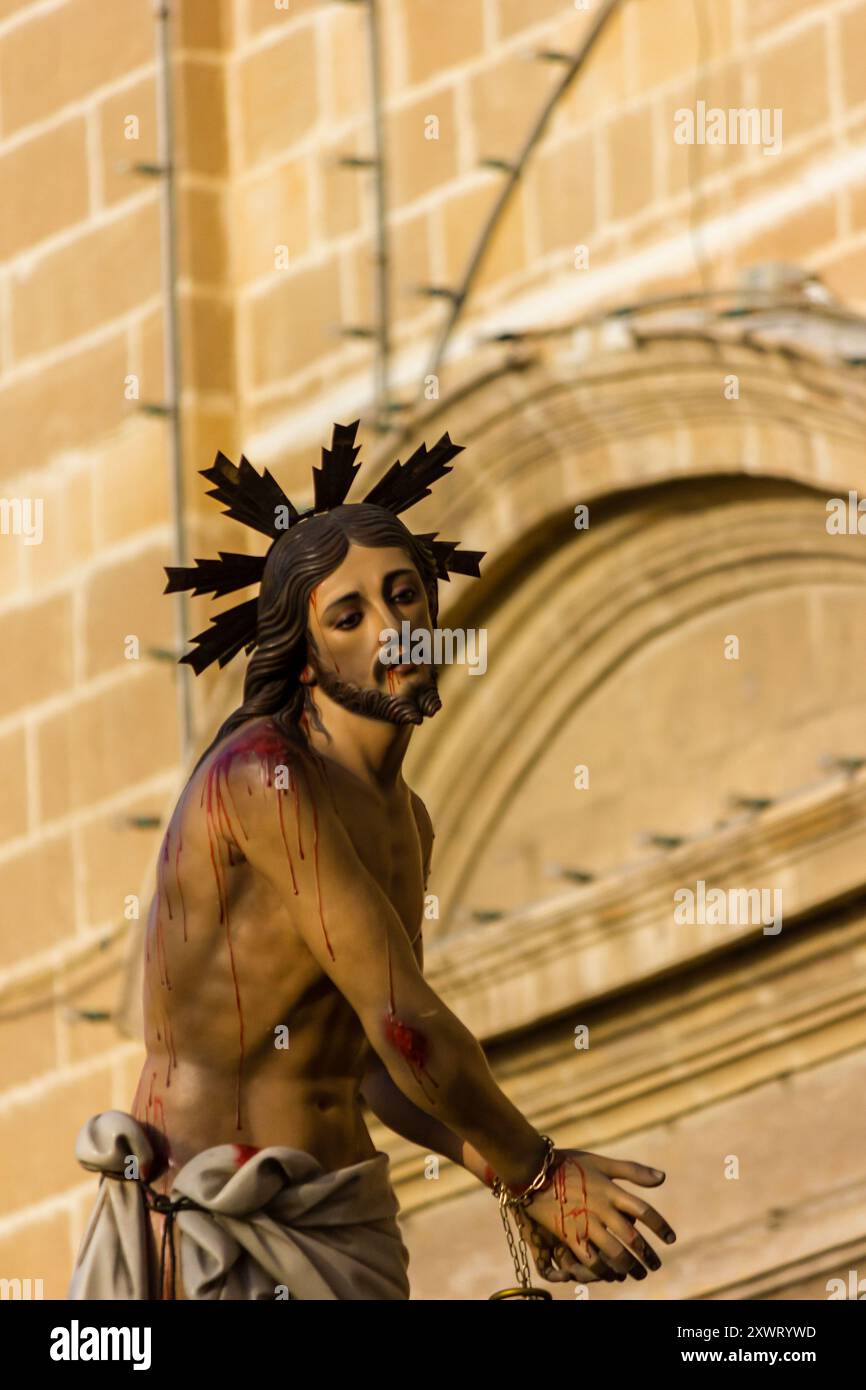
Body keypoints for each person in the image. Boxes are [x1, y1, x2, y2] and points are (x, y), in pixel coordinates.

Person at [68, 422, 675, 1299]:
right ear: (306, 653)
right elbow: (407, 1022)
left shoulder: (407, 820)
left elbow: (381, 1066)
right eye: (349, 615)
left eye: (405, 596)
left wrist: (514, 1184)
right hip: (223, 1225)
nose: (392, 627)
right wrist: (541, 1175)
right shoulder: (262, 775)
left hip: (344, 1225)